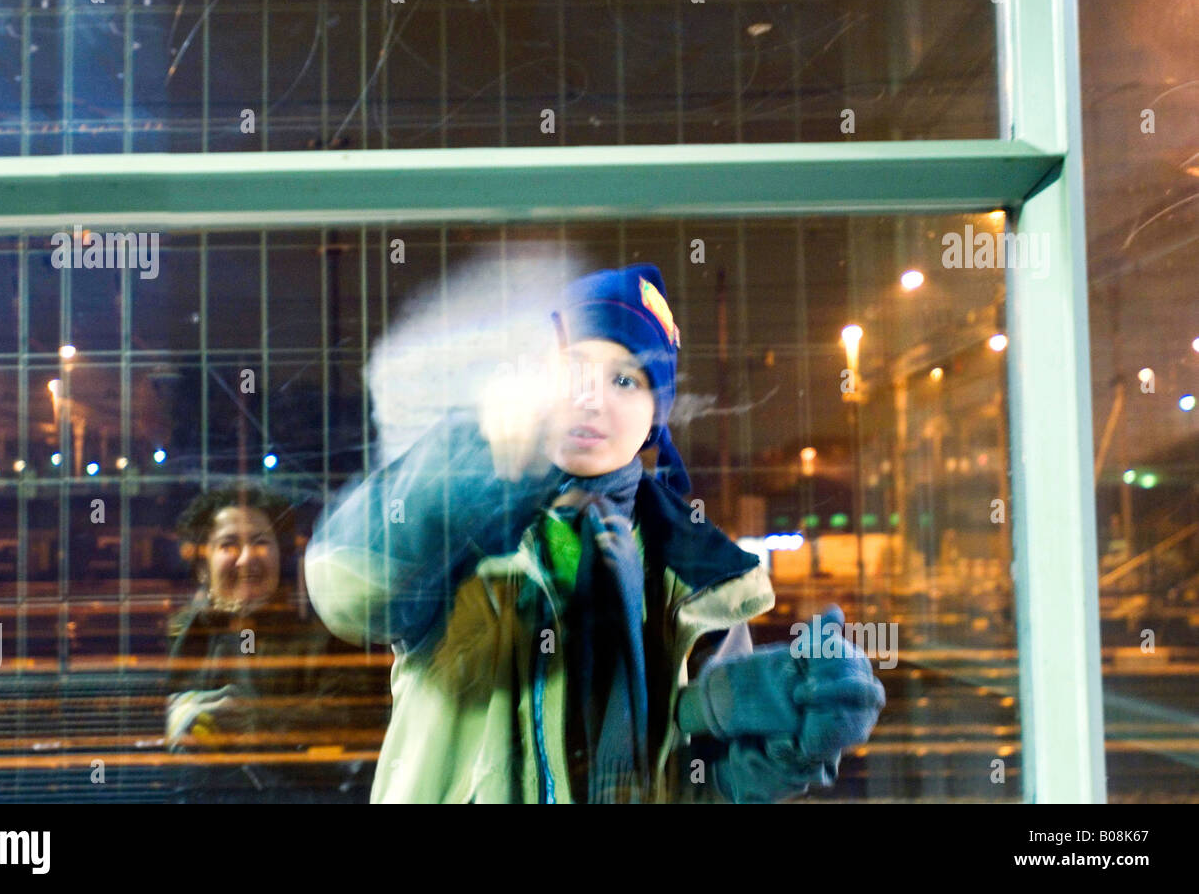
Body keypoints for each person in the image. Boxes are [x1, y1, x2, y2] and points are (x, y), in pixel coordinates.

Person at [304, 263, 885, 803]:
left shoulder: (697, 569)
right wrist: (469, 456)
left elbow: (699, 782)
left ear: (657, 410)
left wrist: (794, 738)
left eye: (626, 380)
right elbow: (348, 592)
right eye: (573, 370)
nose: (591, 398)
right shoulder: (463, 520)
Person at [166, 485, 345, 803]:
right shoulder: (186, 635)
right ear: (203, 564)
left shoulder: (322, 634)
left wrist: (255, 721)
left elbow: (348, 718)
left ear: (281, 554)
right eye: (229, 544)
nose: (247, 558)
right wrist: (172, 720)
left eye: (261, 542)